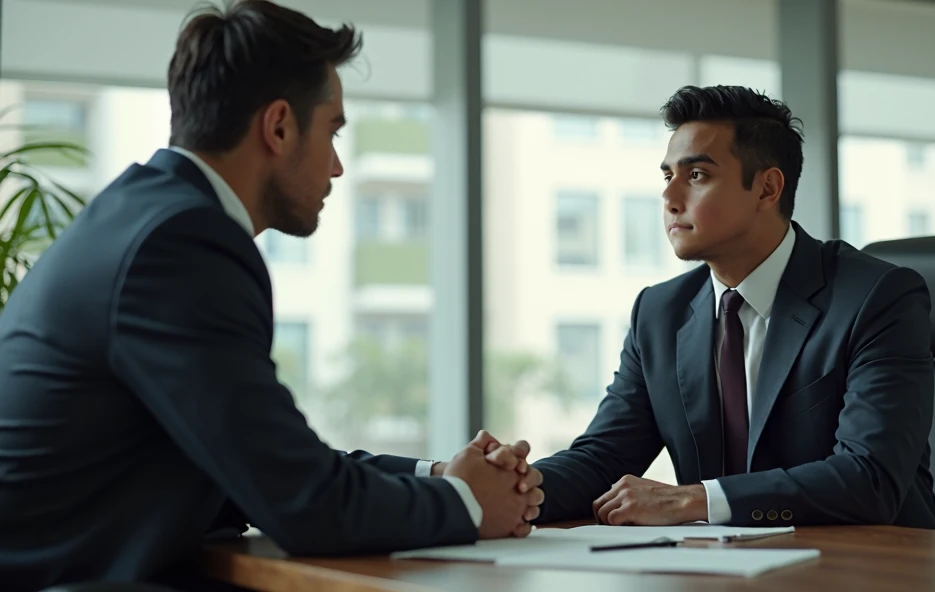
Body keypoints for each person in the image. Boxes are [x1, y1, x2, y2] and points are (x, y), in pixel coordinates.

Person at [0, 1, 542, 589]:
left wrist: (438, 474)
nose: (337, 166)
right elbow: (304, 502)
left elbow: (264, 460)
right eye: (332, 131)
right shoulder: (181, 245)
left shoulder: (144, 216)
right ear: (279, 126)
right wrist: (468, 503)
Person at [521, 85, 935, 530]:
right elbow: (603, 459)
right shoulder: (659, 312)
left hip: (872, 560)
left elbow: (869, 478)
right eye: (667, 177)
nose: (669, 198)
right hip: (722, 561)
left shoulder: (876, 297)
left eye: (696, 175)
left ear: (767, 188)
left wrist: (695, 500)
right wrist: (508, 487)